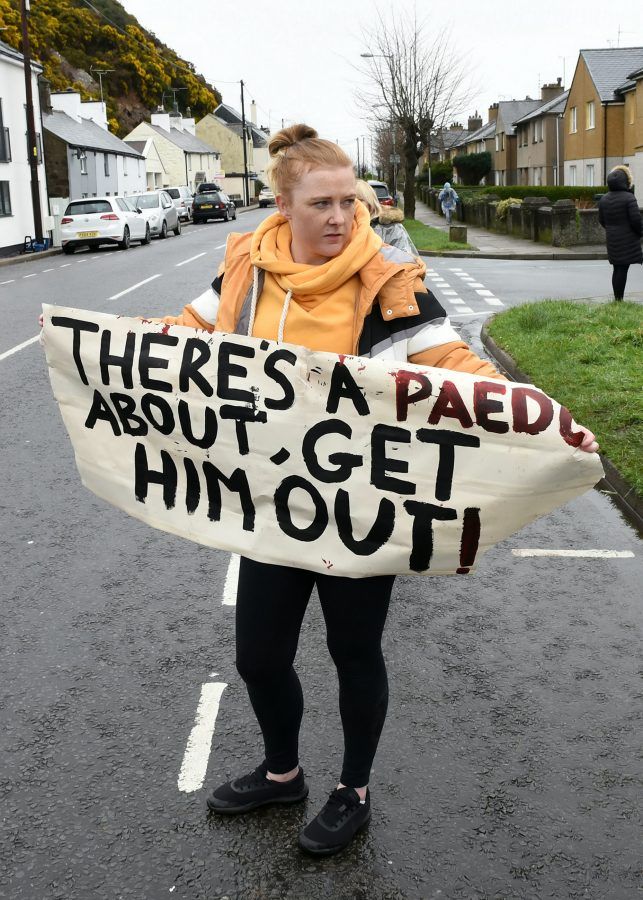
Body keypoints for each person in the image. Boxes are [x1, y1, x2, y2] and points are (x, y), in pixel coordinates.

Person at [45, 124, 596, 857]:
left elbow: (450, 359)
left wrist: (531, 413)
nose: (340, 218)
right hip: (271, 503)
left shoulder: (387, 278)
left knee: (353, 650)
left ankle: (353, 789)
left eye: (349, 202)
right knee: (259, 656)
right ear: (283, 205)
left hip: (356, 507)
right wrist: (109, 347)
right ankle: (282, 772)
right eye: (322, 204)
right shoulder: (245, 267)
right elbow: (182, 338)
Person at [598, 165, 642, 301]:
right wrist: (640, 233)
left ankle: (618, 300)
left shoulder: (604, 199)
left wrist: (612, 229)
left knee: (617, 268)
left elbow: (602, 220)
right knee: (622, 269)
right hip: (627, 240)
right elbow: (636, 220)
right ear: (626, 181)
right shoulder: (629, 198)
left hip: (612, 239)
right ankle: (619, 300)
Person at [354, 179, 419, 256]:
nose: (354, 205)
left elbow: (405, 261)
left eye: (359, 200)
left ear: (370, 204)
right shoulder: (342, 230)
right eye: (348, 201)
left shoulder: (392, 229)